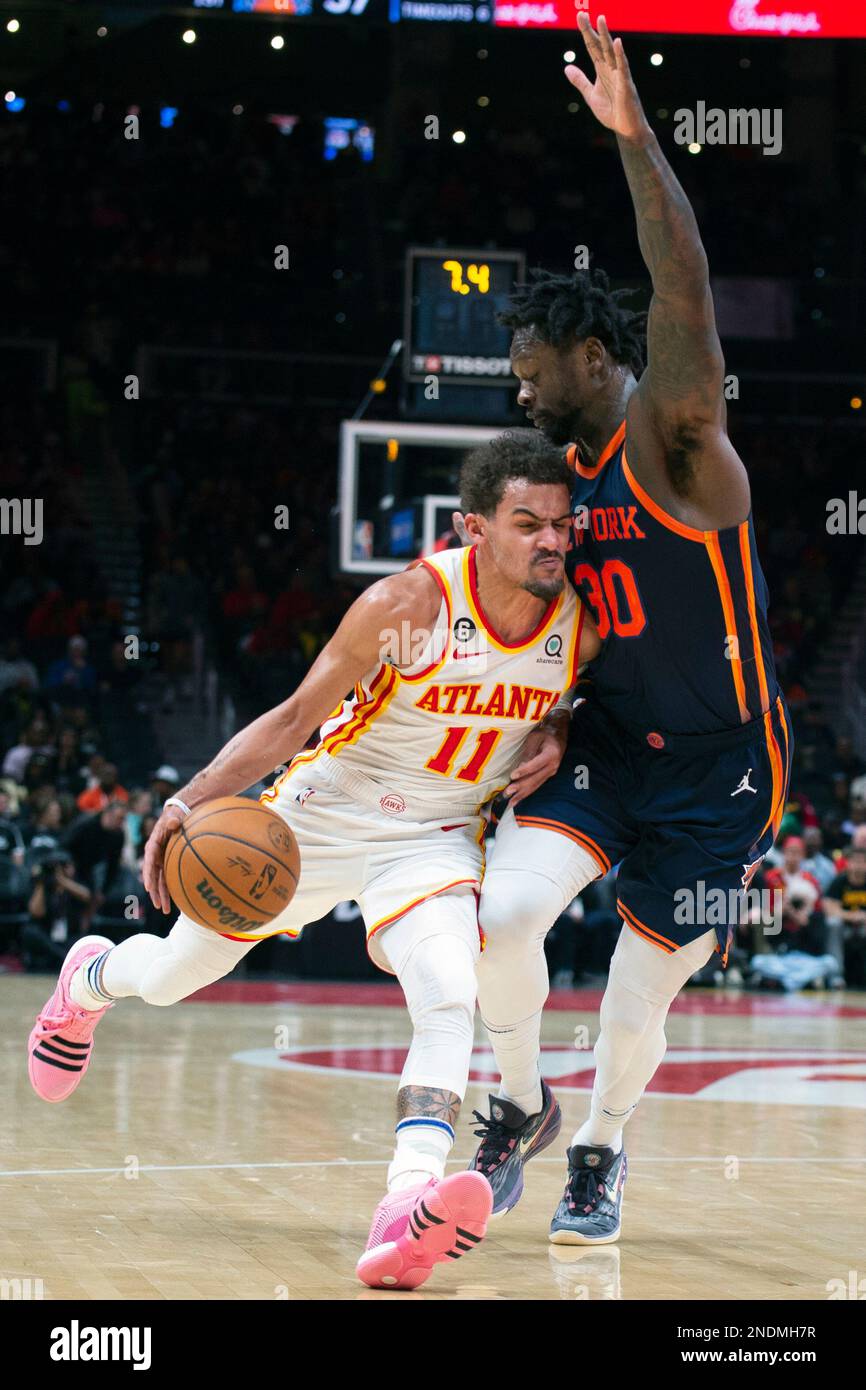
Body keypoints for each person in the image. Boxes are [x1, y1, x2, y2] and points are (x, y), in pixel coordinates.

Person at [27, 432, 600, 1290]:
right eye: (529, 523)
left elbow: (598, 694)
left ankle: (405, 1208)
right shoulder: (409, 605)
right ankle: (92, 981)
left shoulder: (579, 626)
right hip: (320, 816)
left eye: (562, 524)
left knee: (449, 995)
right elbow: (295, 719)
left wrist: (563, 723)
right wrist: (187, 801)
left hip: (436, 839)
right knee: (178, 975)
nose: (552, 541)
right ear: (473, 528)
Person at [467, 15, 793, 1246]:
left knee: (636, 990)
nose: (517, 387)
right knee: (501, 916)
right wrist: (544, 709)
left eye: (530, 367)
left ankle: (599, 1147)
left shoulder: (675, 445)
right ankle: (515, 1104)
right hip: (604, 744)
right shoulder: (549, 488)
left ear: (593, 357)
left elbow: (682, 285)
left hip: (723, 771)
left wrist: (633, 137)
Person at [824, 846, 866, 988]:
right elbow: (830, 909)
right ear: (848, 863)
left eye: (863, 862)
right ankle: (836, 976)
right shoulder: (839, 881)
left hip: (863, 928)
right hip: (844, 928)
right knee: (833, 923)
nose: (859, 866)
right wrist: (852, 916)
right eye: (856, 861)